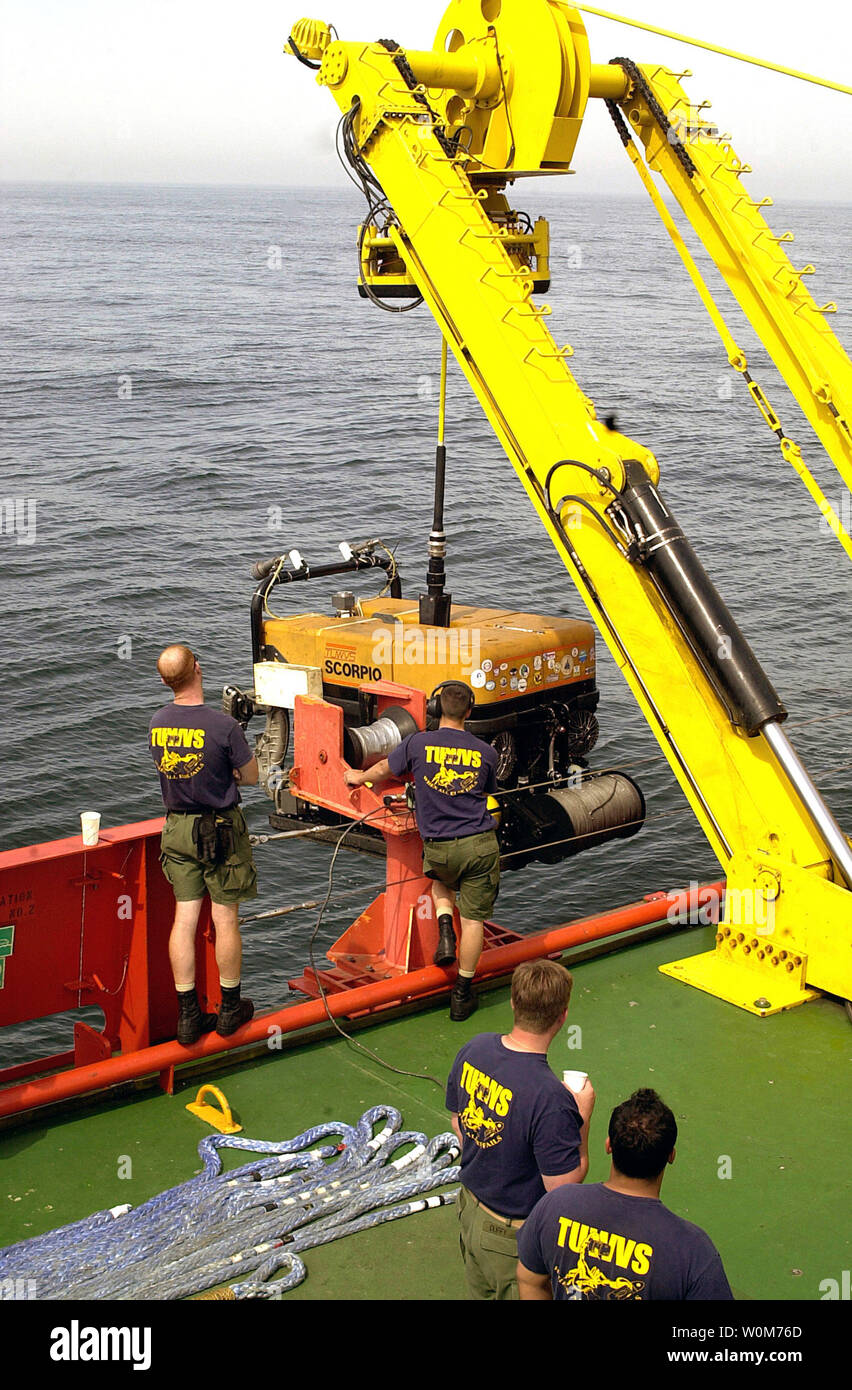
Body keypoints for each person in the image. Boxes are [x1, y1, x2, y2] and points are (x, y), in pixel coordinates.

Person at [343, 681, 499, 1021]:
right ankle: (461, 994)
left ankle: (445, 930)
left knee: (440, 881)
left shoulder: (416, 743)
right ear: (469, 712)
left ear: (435, 709)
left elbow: (384, 769)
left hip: (438, 847)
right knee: (473, 923)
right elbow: (487, 793)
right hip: (479, 845)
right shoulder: (487, 752)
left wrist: (358, 776)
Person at [444, 959, 595, 1300]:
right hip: (510, 1238)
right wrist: (582, 1115)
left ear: (514, 1002)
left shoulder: (475, 1048)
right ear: (562, 1017)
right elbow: (562, 1188)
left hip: (469, 1210)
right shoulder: (551, 1098)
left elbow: (459, 1121)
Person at [516, 1088, 734, 1301]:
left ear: (609, 1145)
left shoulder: (555, 1206)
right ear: (671, 1156)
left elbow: (529, 1281)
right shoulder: (693, 1250)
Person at [149, 644, 259, 1045]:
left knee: (185, 919)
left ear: (165, 681)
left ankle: (188, 1017)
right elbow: (250, 776)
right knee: (225, 918)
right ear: (198, 669)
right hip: (220, 829)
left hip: (177, 829)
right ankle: (230, 1009)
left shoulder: (157, 723)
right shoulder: (223, 726)